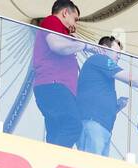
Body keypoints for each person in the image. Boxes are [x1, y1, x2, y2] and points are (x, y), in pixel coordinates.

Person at [76, 36, 138, 156]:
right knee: (93, 166)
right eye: (117, 52)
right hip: (94, 124)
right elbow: (130, 78)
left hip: (101, 126)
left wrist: (116, 107)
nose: (119, 56)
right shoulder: (100, 59)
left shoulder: (100, 67)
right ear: (104, 48)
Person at [32, 1, 85, 148]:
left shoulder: (63, 32)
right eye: (75, 19)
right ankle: (56, 159)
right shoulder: (52, 21)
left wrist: (74, 37)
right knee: (73, 125)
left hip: (51, 86)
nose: (75, 24)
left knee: (56, 131)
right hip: (55, 84)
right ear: (65, 13)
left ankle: (50, 160)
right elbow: (56, 46)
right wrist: (82, 45)